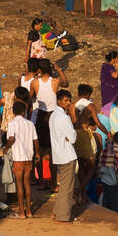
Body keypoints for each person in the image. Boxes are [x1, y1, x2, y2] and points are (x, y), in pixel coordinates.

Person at [49, 88, 79, 222]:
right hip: (67, 155)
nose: (68, 103)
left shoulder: (53, 115)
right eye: (65, 100)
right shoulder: (63, 117)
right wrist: (71, 134)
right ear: (59, 101)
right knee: (67, 188)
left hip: (59, 154)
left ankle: (56, 212)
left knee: (64, 186)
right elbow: (73, 137)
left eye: (69, 100)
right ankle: (62, 216)